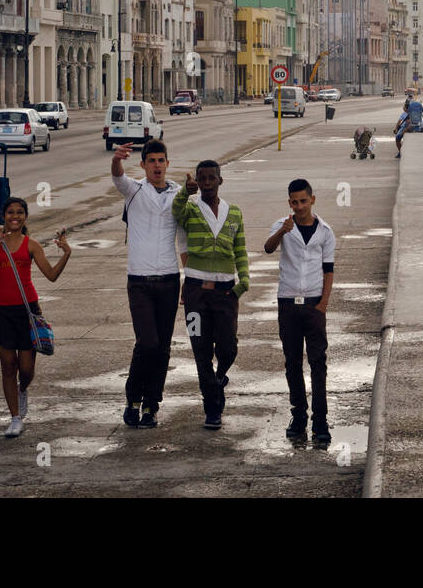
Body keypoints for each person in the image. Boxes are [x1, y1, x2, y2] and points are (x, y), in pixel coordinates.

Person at [0, 198, 71, 438]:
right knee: (8, 366)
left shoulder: (31, 245)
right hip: (1, 311)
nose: (15, 216)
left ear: (25, 217)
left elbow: (51, 275)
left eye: (20, 212)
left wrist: (66, 253)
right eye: (10, 212)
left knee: (26, 367)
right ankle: (15, 418)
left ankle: (22, 390)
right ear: (3, 215)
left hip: (28, 310)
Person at [111, 139, 186, 428]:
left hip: (168, 279)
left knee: (163, 346)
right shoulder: (134, 190)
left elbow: (182, 238)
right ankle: (133, 399)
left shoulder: (179, 194)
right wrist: (117, 158)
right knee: (147, 342)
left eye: (161, 160)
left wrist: (187, 278)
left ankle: (151, 405)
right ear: (142, 165)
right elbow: (117, 176)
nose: (156, 165)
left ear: (168, 163)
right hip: (139, 280)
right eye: (151, 160)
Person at [173, 161, 248, 430]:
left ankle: (219, 377)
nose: (206, 183)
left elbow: (240, 249)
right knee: (199, 349)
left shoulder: (234, 213)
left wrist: (244, 282)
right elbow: (176, 209)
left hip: (226, 294)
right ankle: (212, 408)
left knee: (228, 347)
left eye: (211, 178)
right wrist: (185, 191)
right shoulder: (191, 209)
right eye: (202, 179)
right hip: (194, 295)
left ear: (220, 180)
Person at [264, 179, 335, 445]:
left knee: (318, 364)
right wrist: (283, 230)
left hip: (314, 304)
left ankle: (320, 421)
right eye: (294, 202)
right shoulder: (284, 225)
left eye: (303, 201)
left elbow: (329, 271)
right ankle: (299, 416)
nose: (299, 206)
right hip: (288, 303)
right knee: (292, 363)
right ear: (289, 203)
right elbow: (268, 248)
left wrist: (323, 305)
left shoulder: (325, 231)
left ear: (312, 200)